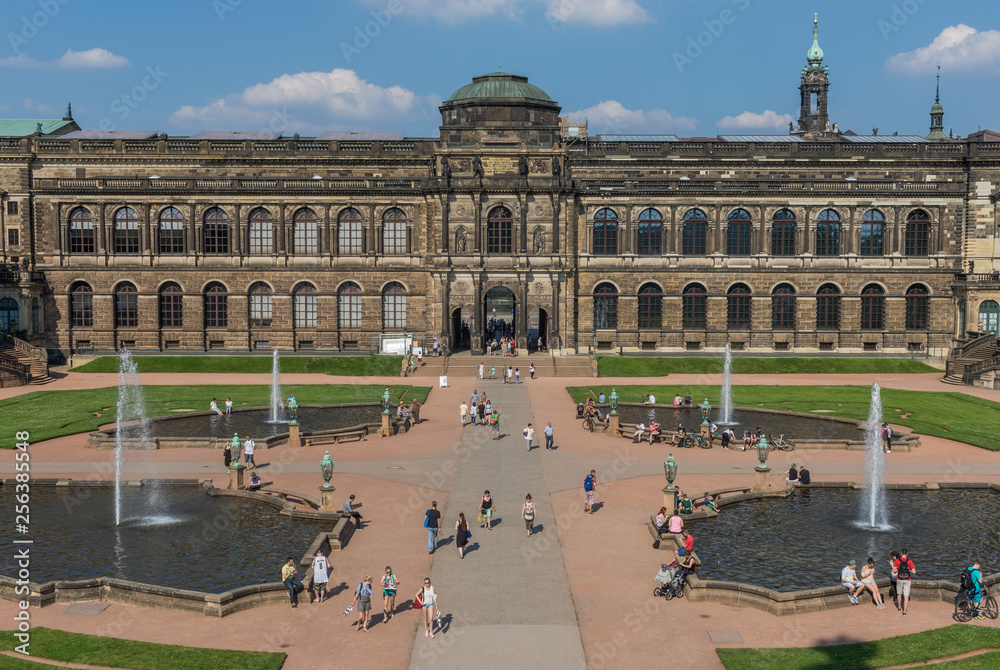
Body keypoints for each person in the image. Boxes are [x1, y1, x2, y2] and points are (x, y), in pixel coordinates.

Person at [893, 549, 916, 615]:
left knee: (899, 594)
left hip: (899, 578)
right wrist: (909, 570)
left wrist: (898, 569)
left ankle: (899, 607)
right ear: (907, 554)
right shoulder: (910, 561)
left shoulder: (897, 560)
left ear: (901, 553)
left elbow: (894, 571)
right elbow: (914, 572)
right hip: (907, 579)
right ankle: (905, 610)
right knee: (906, 595)